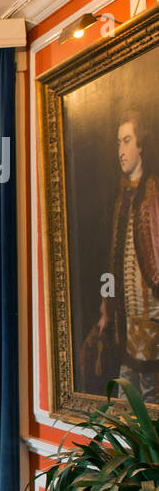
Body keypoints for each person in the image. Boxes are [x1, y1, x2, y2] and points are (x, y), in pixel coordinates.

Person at [87, 109, 159, 401]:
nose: (121, 151)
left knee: (150, 397)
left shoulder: (154, 196)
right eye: (118, 143)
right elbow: (110, 266)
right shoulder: (120, 199)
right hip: (125, 323)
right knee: (125, 398)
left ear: (140, 145)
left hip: (153, 320)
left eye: (127, 141)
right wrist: (106, 306)